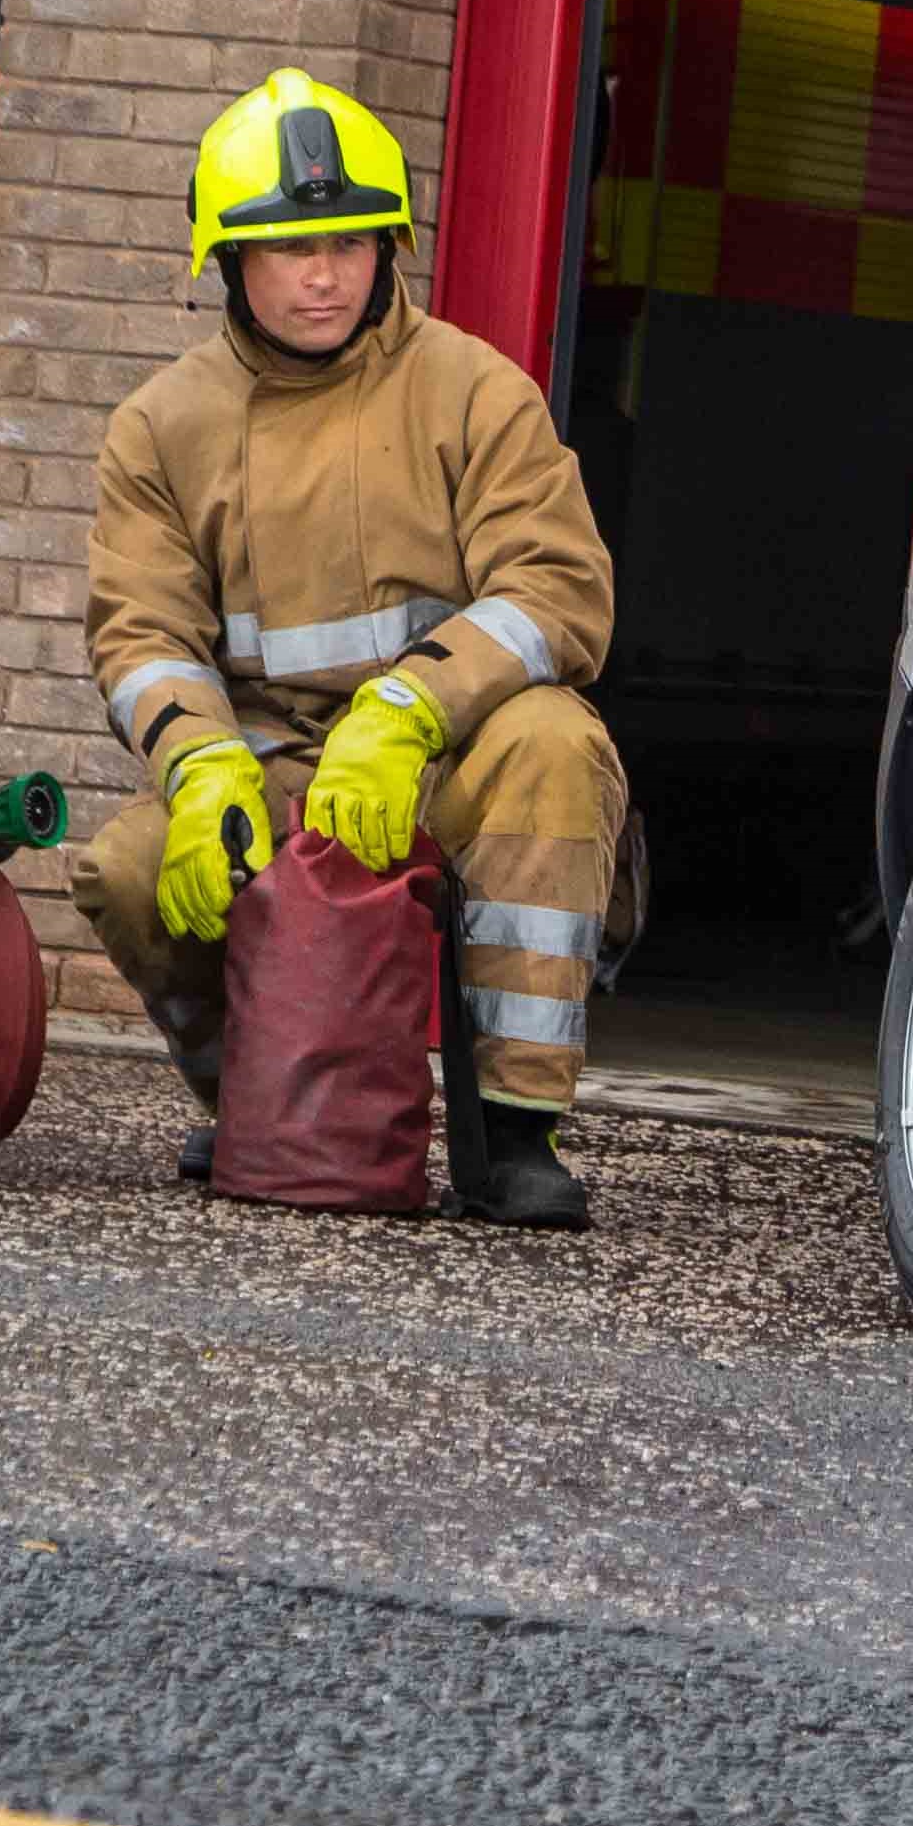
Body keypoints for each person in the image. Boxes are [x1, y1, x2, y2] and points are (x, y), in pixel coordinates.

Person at [69, 68, 625, 1230]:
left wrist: (413, 708)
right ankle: (261, 1099)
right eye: (288, 248)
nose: (323, 275)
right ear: (228, 261)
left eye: (350, 243)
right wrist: (199, 761)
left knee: (557, 745)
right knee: (126, 869)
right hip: (268, 759)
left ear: (387, 247)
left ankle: (516, 1133)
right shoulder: (163, 428)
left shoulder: (476, 392)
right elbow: (142, 634)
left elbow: (559, 586)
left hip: (448, 747)